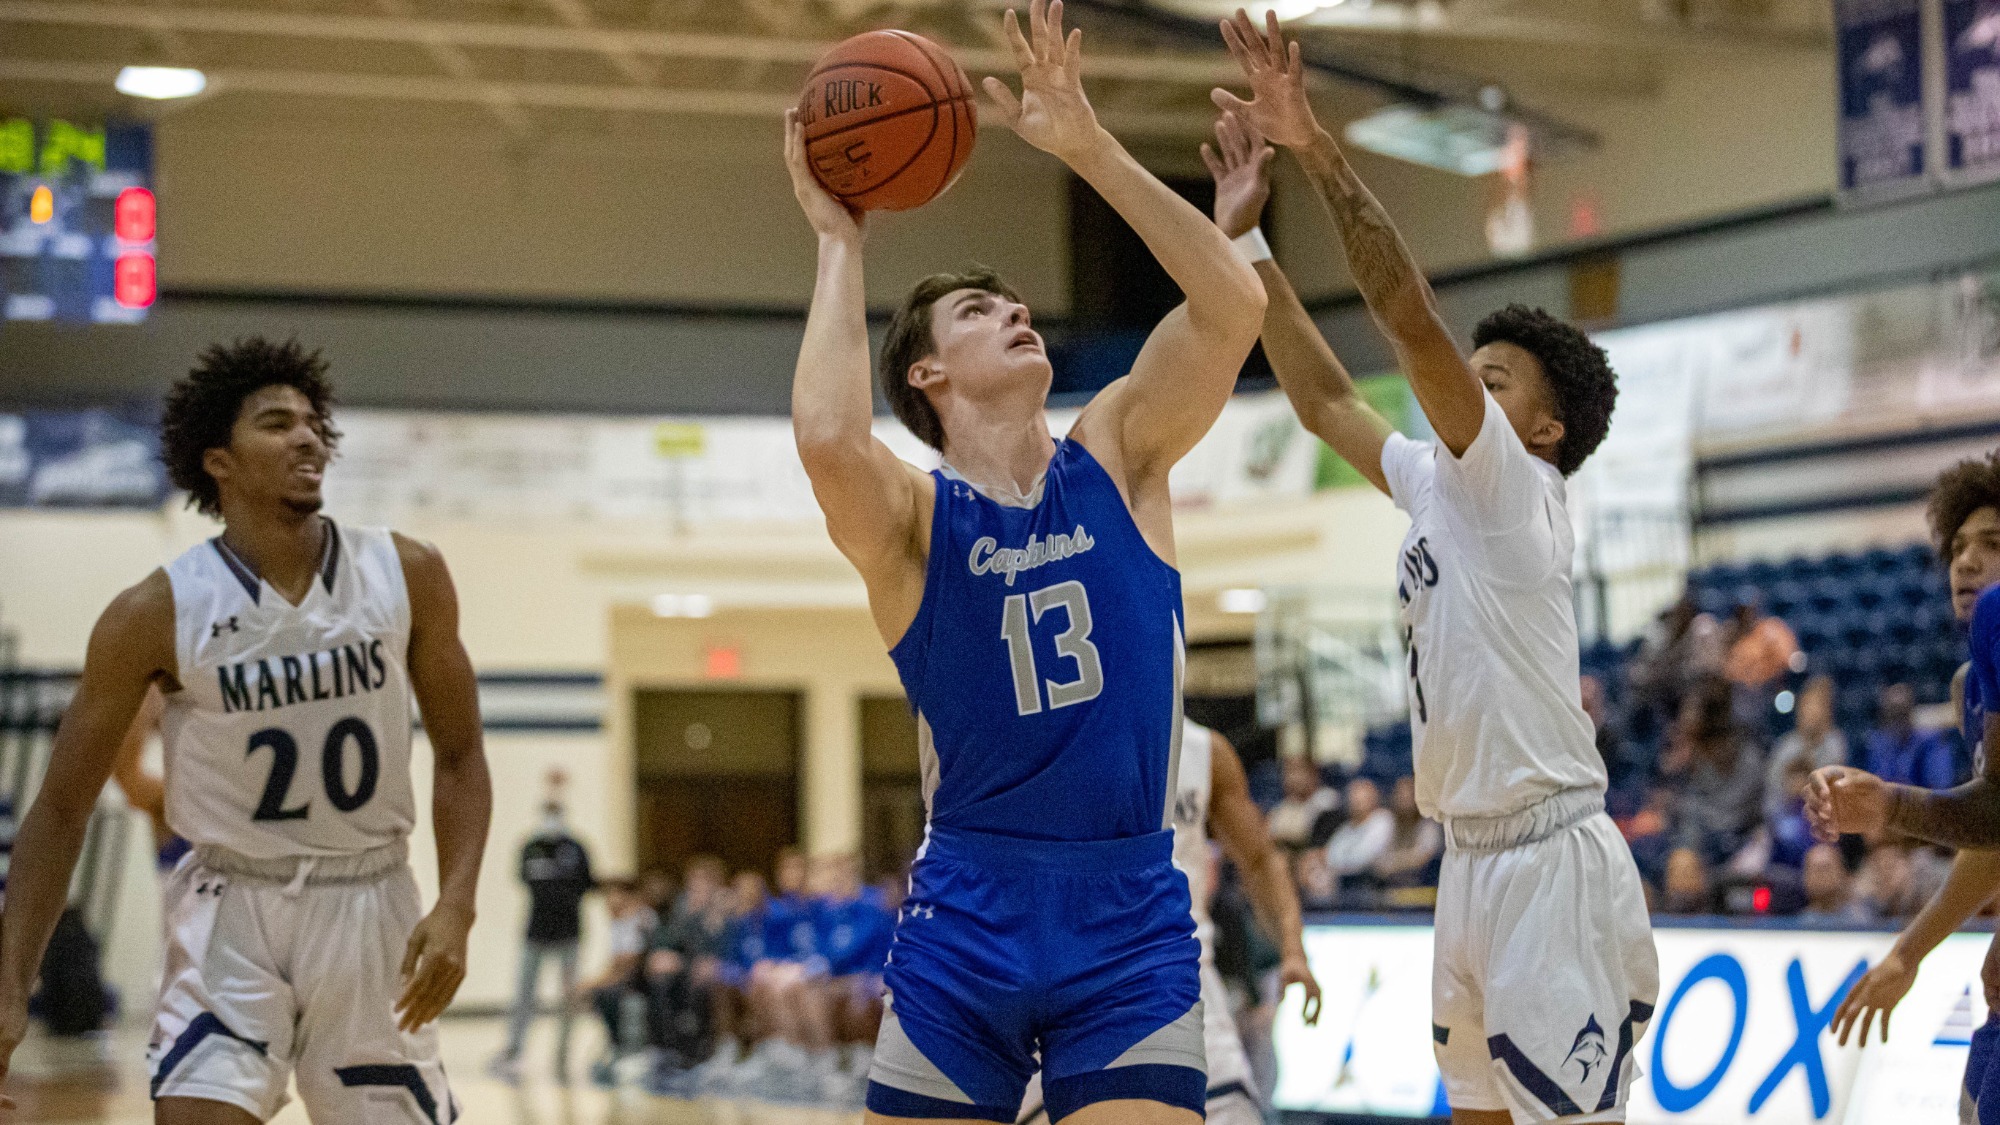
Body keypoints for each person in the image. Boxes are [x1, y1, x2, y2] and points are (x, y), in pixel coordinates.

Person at [784, 0, 1268, 1119]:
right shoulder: (914, 523)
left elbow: (1231, 300)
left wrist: (1088, 147)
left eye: (1012, 301)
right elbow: (824, 440)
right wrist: (837, 240)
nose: (1013, 311)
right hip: (970, 916)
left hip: (1129, 914)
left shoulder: (1118, 455)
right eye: (974, 311)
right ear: (925, 377)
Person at [1209, 19, 1656, 1121]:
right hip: (1468, 858)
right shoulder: (1433, 483)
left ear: (1542, 431)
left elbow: (1403, 318)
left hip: (1548, 863)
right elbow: (1321, 400)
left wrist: (1314, 151)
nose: (1465, 385)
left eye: (1493, 380)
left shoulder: (1509, 486)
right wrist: (1246, 248)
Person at [0, 338, 491, 1122]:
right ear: (219, 461)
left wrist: (458, 903)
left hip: (371, 904)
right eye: (276, 423)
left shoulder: (407, 572)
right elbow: (60, 809)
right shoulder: (153, 613)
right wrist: (7, 992)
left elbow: (462, 754)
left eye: (313, 424)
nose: (307, 438)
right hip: (231, 910)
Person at [1810, 452, 2000, 1125]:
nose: (1966, 562)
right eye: (1958, 546)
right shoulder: (1967, 684)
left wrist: (1892, 804)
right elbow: (1996, 842)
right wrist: (1907, 952)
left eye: (1992, 545)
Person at [1018, 719, 1322, 1125]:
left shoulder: (1204, 749)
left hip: (1189, 979)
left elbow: (1260, 857)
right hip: (1077, 991)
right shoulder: (1050, 738)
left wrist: (1293, 948)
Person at [490, 795, 596, 1084]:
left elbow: (587, 884)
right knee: (524, 994)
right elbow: (525, 880)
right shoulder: (531, 847)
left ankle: (562, 1055)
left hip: (569, 934)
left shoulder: (576, 848)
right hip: (535, 933)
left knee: (569, 997)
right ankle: (514, 1051)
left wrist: (558, 886)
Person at [1660, 680, 1765, 866]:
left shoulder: (1744, 752)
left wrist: (1681, 805)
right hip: (1700, 838)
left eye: (1691, 709)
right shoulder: (1687, 751)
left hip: (1739, 839)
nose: (1684, 716)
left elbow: (1736, 810)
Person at [582, 877, 658, 1085]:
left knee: (608, 993)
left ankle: (628, 1049)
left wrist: (593, 983)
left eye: (613, 895)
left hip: (646, 977)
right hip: (630, 977)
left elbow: (627, 962)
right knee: (602, 993)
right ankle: (615, 1045)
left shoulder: (640, 919)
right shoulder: (618, 922)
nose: (609, 901)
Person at [1763, 675, 1846, 825]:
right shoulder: (1785, 745)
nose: (1811, 713)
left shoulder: (1835, 744)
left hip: (1822, 822)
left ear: (1828, 712)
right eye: (1807, 706)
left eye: (1817, 706)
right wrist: (1788, 791)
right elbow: (1770, 799)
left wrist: (1804, 787)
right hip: (1784, 820)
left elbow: (1835, 795)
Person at [1863, 683, 1958, 791]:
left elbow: (1940, 787)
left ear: (1910, 712)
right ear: (1884, 715)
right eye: (1892, 714)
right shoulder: (1877, 743)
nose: (1897, 721)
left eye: (1902, 714)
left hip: (1921, 805)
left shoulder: (1931, 742)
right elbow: (1873, 785)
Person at [1322, 778, 1393, 894]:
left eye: (1362, 797)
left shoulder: (1382, 820)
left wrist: (1339, 865)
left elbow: (1365, 857)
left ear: (1373, 798)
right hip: (1346, 885)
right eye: (1353, 797)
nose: (1356, 801)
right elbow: (1331, 857)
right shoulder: (1346, 827)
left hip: (1375, 885)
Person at [1373, 776, 1444, 890]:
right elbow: (1379, 860)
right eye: (1401, 794)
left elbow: (1422, 857)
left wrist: (1394, 862)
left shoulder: (1428, 825)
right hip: (1391, 886)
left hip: (1420, 885)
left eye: (1409, 794)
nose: (1404, 798)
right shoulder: (1389, 823)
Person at [1265, 756, 1340, 853]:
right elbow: (1266, 837)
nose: (1292, 778)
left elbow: (1305, 834)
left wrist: (1281, 836)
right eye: (1288, 772)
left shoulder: (1326, 798)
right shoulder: (1282, 806)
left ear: (1313, 773)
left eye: (1297, 771)